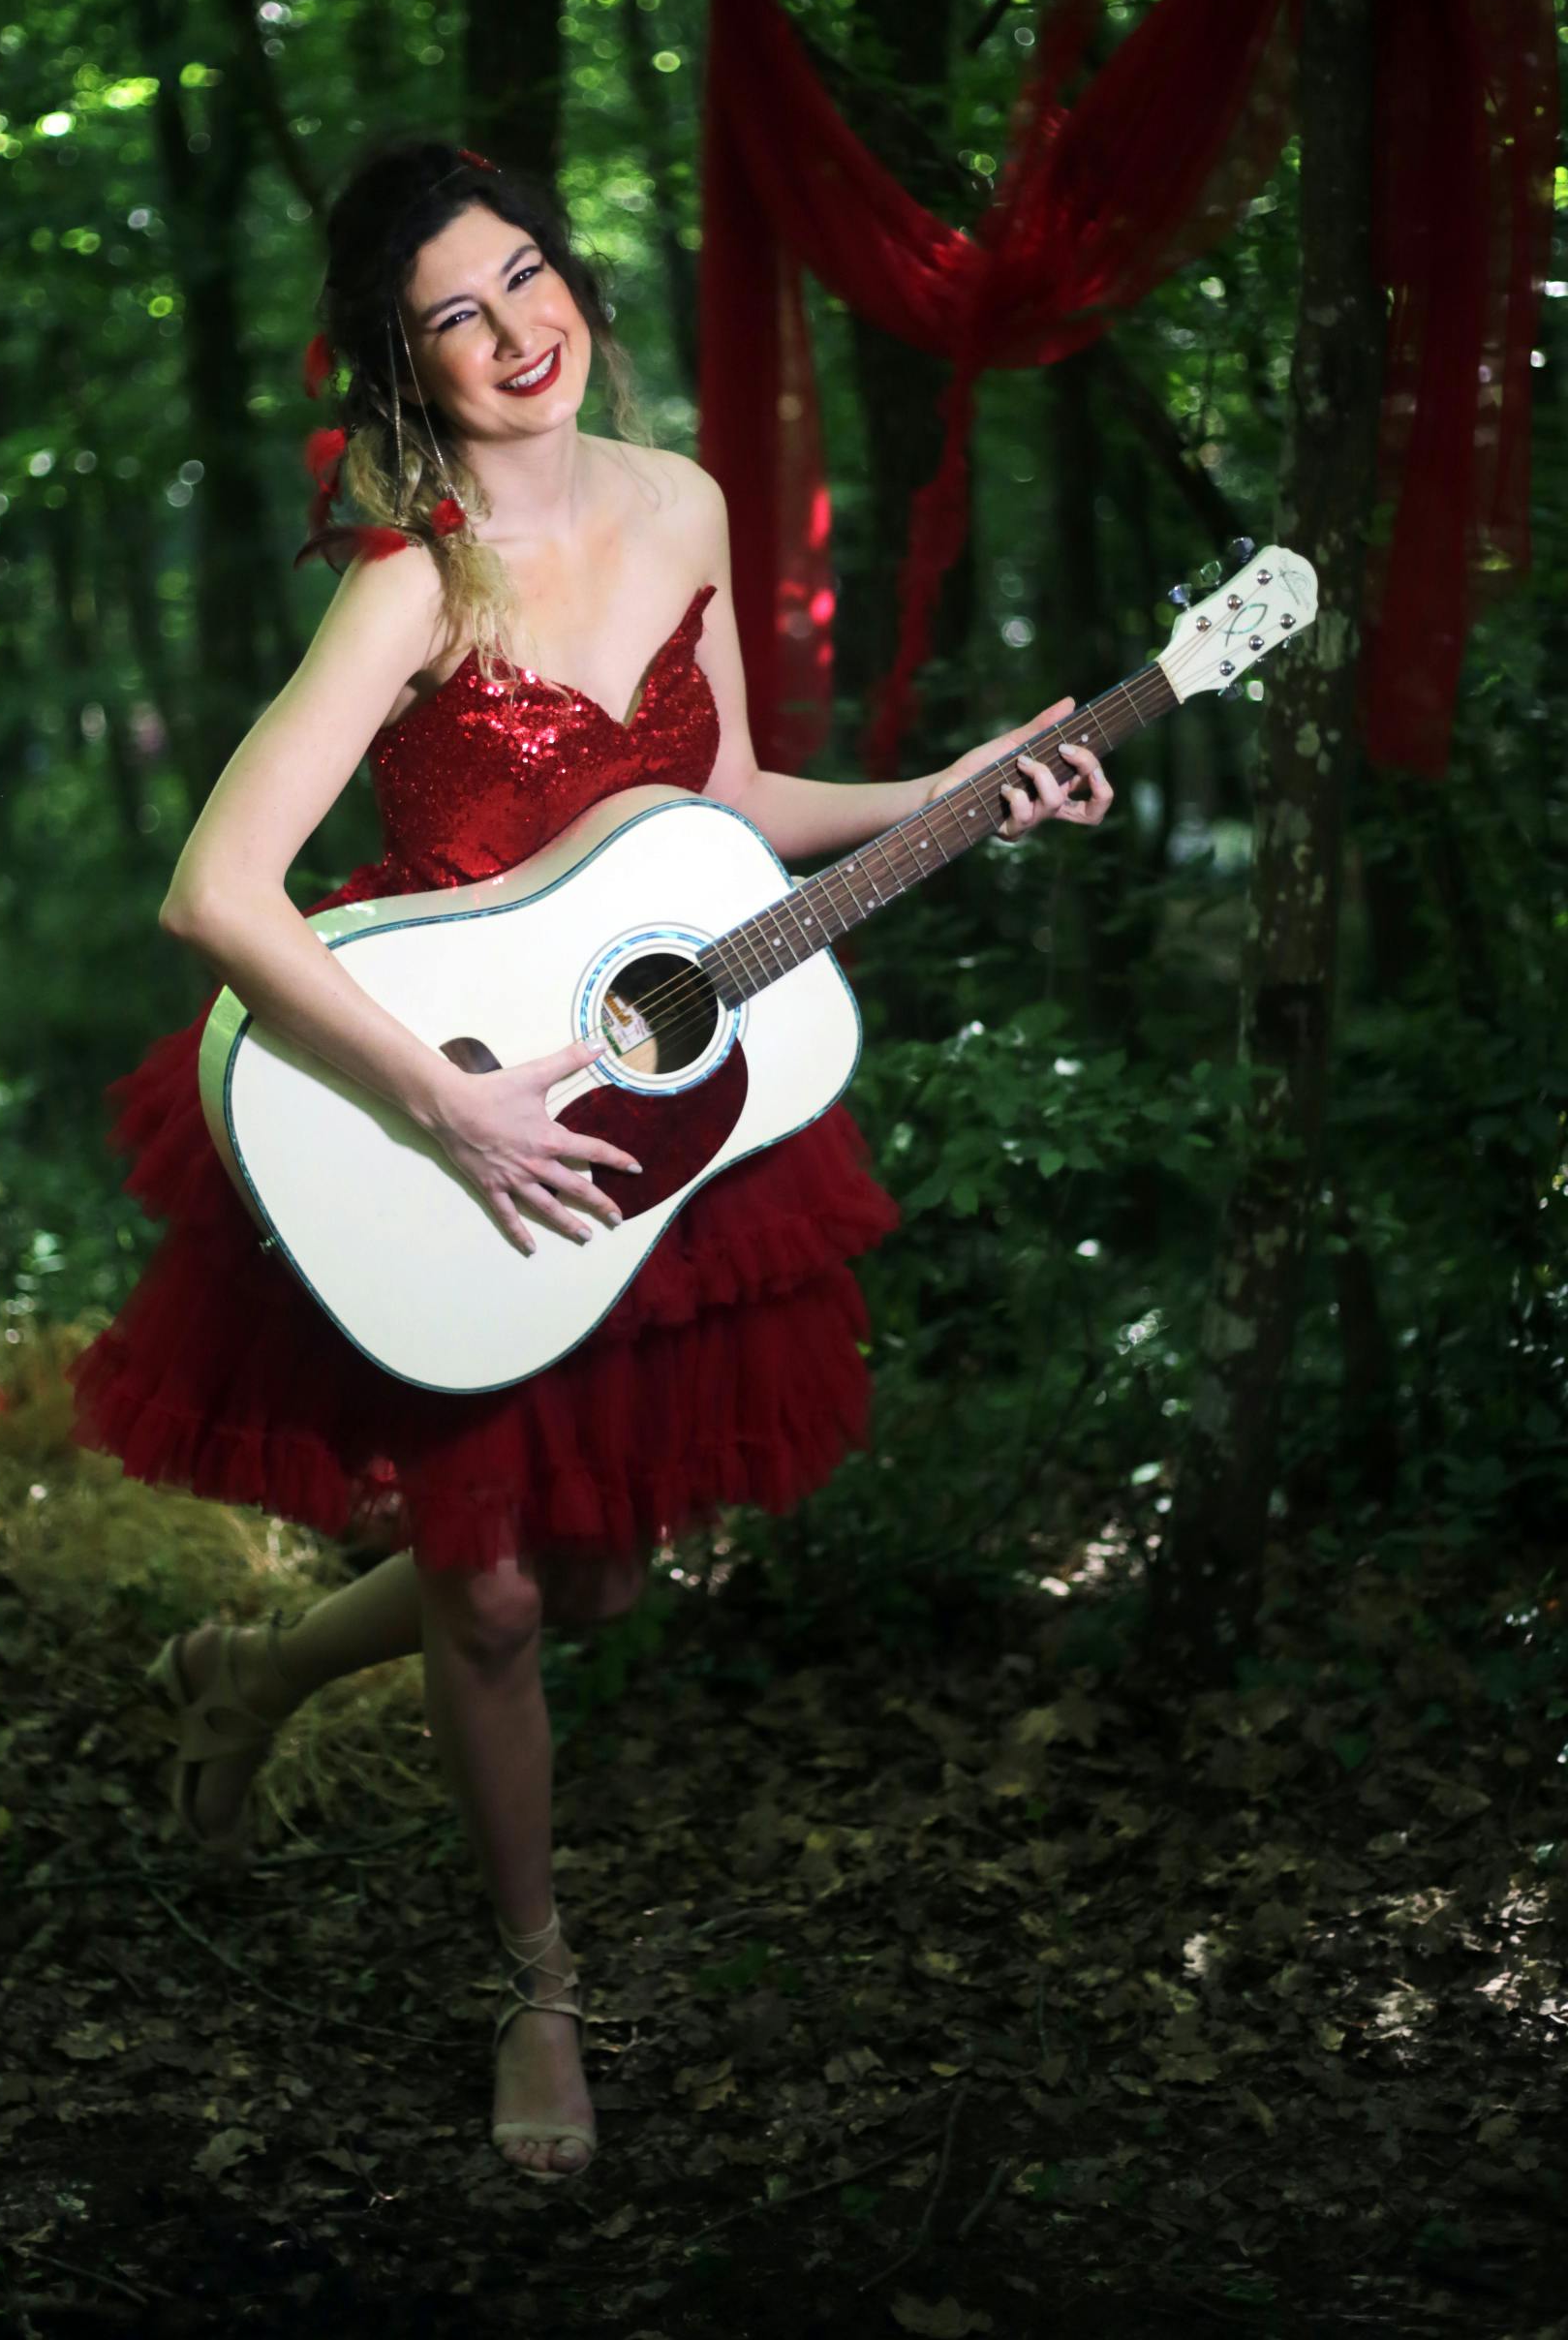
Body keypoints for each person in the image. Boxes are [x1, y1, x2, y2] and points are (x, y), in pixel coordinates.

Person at [69, 137, 1113, 2181]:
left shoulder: (687, 504)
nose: (517, 328)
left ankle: (261, 1665)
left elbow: (716, 810)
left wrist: (961, 786)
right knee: (487, 1594)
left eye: (529, 275)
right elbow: (216, 891)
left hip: (650, 1109)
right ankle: (539, 1983)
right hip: (444, 1102)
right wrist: (444, 1097)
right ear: (406, 364)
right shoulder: (411, 573)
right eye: (456, 312)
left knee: (600, 1571)